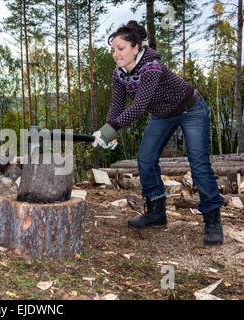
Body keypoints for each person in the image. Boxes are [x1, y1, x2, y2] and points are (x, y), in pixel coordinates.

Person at [92, 21, 224, 245]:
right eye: (113, 50)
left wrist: (110, 129)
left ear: (135, 47)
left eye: (121, 48)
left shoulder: (151, 67)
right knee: (145, 159)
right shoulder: (119, 74)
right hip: (162, 115)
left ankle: (213, 220)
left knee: (199, 163)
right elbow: (116, 106)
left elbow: (140, 105)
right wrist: (108, 131)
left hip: (190, 109)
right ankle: (156, 212)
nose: (116, 54)